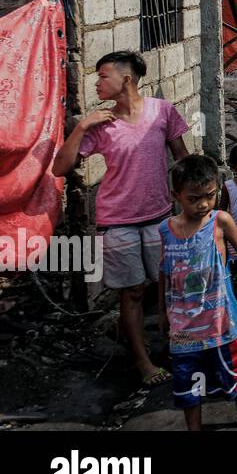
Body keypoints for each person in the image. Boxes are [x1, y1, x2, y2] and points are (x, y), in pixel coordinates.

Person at [51, 51, 190, 388]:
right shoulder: (101, 124)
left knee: (168, 286)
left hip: (160, 216)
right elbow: (59, 167)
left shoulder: (162, 111)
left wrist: (193, 204)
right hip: (118, 221)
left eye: (102, 76)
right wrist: (82, 126)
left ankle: (177, 346)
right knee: (132, 294)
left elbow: (183, 159)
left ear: (126, 79)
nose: (97, 82)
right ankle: (143, 362)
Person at [159, 155, 237, 430]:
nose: (203, 204)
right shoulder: (165, 231)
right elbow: (165, 273)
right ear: (176, 196)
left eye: (209, 195)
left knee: (227, 372)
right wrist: (161, 311)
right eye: (194, 198)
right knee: (185, 381)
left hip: (220, 322)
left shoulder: (219, 221)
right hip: (182, 327)